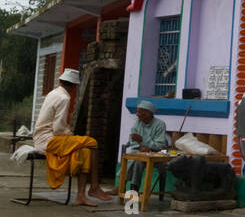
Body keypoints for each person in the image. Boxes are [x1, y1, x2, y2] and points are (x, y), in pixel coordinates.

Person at [32, 68, 115, 208]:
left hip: (43, 138)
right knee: (92, 142)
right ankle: (94, 187)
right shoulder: (64, 98)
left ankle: (81, 196)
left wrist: (73, 139)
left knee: (85, 152)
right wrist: (71, 136)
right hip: (49, 140)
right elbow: (58, 128)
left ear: (60, 81)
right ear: (73, 86)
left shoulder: (53, 92)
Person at [124, 101, 170, 193]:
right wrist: (140, 147)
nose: (137, 115)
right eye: (137, 112)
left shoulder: (160, 124)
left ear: (149, 113)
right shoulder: (137, 123)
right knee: (137, 161)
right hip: (140, 154)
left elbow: (160, 145)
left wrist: (144, 142)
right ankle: (133, 189)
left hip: (156, 155)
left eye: (140, 112)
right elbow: (133, 141)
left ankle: (126, 184)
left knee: (137, 160)